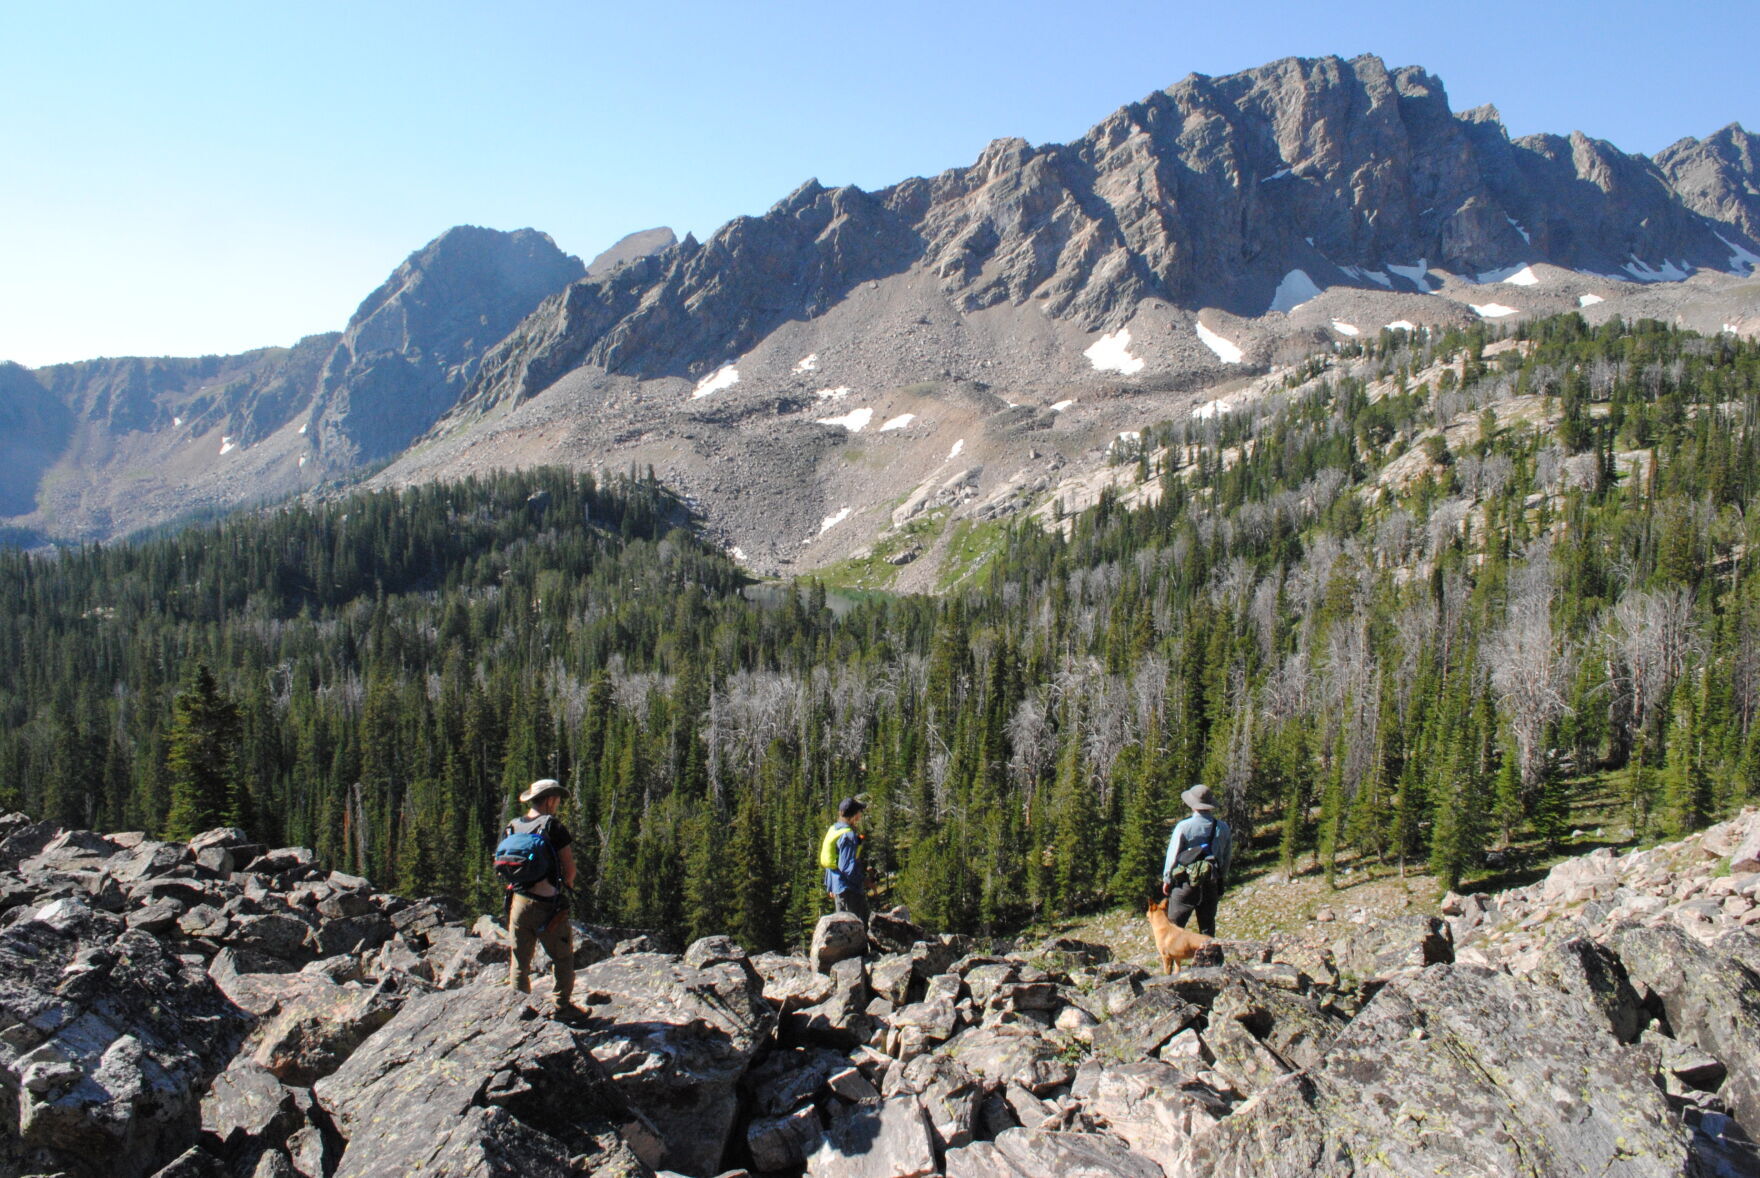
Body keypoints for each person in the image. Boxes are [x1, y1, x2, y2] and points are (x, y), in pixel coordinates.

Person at [504, 779, 577, 1011]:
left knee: (519, 961)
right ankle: (562, 1007)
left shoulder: (513, 825)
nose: (558, 804)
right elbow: (569, 868)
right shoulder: (552, 826)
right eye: (557, 799)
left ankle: (519, 1011)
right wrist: (565, 885)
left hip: (517, 901)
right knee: (562, 958)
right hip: (546, 904)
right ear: (550, 799)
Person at [1161, 783, 1233, 937]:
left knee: (1174, 928)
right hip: (1210, 882)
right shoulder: (1223, 827)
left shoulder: (1183, 826)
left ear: (1193, 805)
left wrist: (1167, 879)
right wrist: (1220, 880)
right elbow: (1226, 858)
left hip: (1185, 883)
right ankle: (1209, 952)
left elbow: (1172, 856)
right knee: (1207, 929)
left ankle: (1174, 953)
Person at [821, 797, 868, 924]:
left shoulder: (835, 829)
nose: (861, 815)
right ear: (854, 816)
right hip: (849, 888)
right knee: (856, 924)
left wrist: (830, 886)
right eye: (859, 812)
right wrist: (862, 881)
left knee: (843, 923)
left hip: (838, 885)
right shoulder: (848, 835)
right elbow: (846, 867)